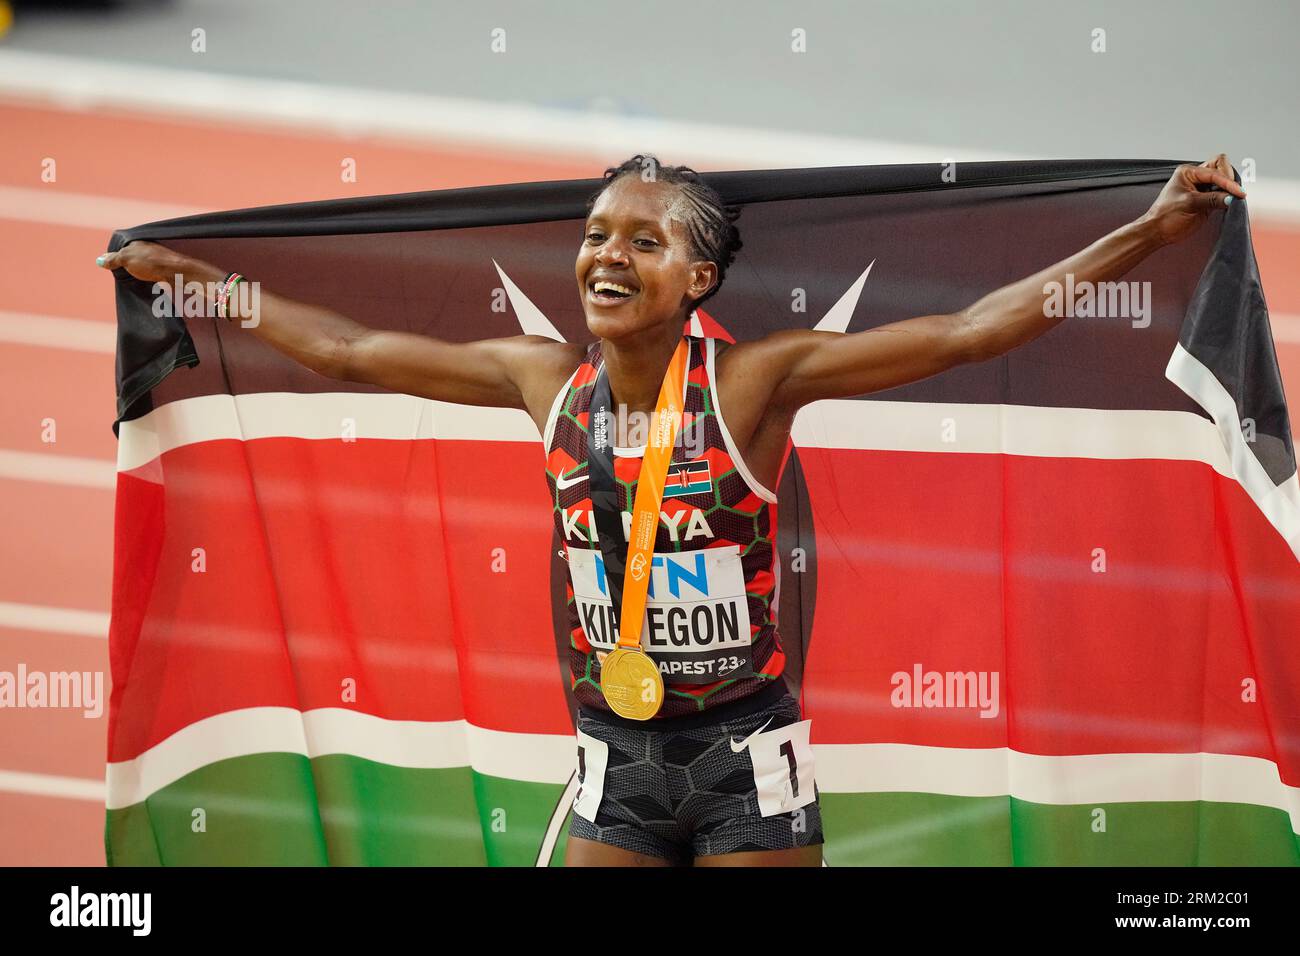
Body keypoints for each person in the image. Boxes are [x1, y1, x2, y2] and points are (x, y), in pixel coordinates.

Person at [97, 152, 1244, 867]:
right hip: (613, 753)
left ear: (696, 279)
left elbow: (968, 331)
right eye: (597, 233)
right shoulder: (542, 383)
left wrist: (1149, 227)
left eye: (644, 241)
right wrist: (192, 280)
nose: (607, 254)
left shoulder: (750, 384)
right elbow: (347, 348)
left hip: (747, 754)